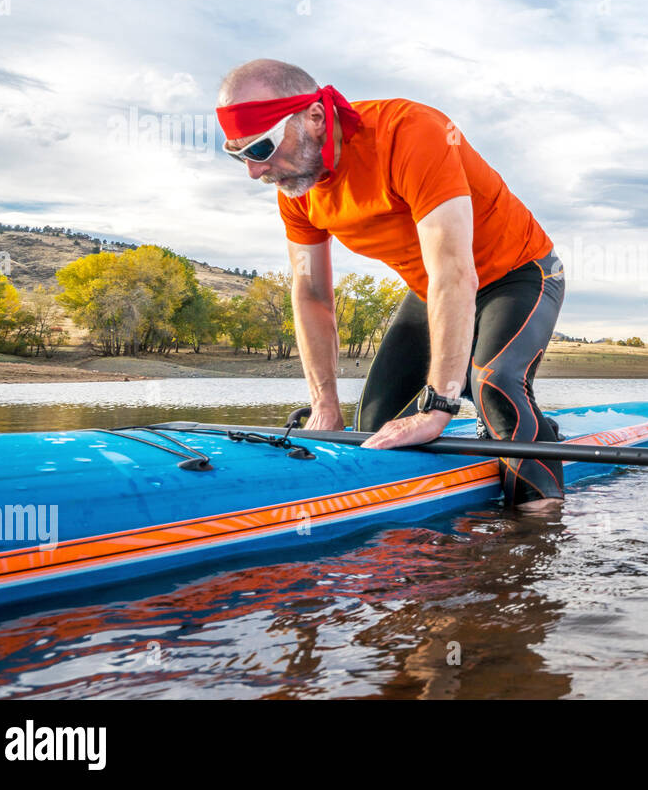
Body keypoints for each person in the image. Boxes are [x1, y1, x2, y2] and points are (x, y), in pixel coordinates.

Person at [215, 59, 565, 510]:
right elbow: (312, 295)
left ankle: (538, 526)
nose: (254, 172)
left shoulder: (412, 132)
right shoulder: (297, 188)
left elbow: (454, 272)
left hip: (518, 273)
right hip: (430, 291)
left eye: (260, 149)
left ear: (315, 119)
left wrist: (440, 405)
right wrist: (324, 405)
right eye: (238, 155)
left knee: (492, 384)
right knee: (374, 426)